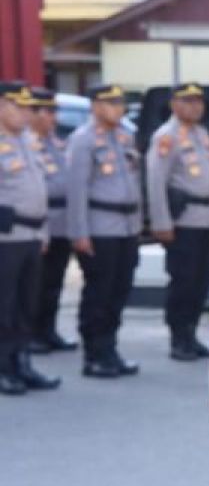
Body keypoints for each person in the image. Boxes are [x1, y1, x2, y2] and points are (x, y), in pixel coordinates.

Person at [66, 83, 142, 378]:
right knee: (98, 293)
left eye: (120, 102)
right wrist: (79, 233)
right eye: (110, 102)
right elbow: (76, 190)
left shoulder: (125, 136)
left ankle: (110, 349)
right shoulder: (83, 140)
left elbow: (135, 184)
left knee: (118, 292)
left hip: (126, 227)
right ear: (95, 106)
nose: (117, 108)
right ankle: (94, 354)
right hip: (99, 227)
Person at [146, 82, 209, 361]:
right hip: (183, 223)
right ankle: (178, 337)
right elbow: (155, 182)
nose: (195, 106)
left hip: (206, 220)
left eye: (198, 101)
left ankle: (191, 333)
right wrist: (161, 223)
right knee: (184, 281)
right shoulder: (166, 137)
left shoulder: (201, 134)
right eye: (188, 101)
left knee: (202, 280)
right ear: (174, 105)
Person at [0, 82, 59, 395]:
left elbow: (39, 192)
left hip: (32, 234)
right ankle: (4, 367)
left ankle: (22, 362)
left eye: (28, 108)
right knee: (4, 306)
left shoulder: (27, 141)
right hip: (6, 238)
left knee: (26, 304)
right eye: (18, 107)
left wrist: (43, 233)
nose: (26, 114)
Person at [26, 86, 80, 354]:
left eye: (54, 111)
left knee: (54, 284)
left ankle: (48, 330)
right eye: (48, 111)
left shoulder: (58, 143)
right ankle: (33, 334)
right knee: (35, 286)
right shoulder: (25, 143)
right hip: (40, 224)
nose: (53, 117)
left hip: (62, 224)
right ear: (33, 112)